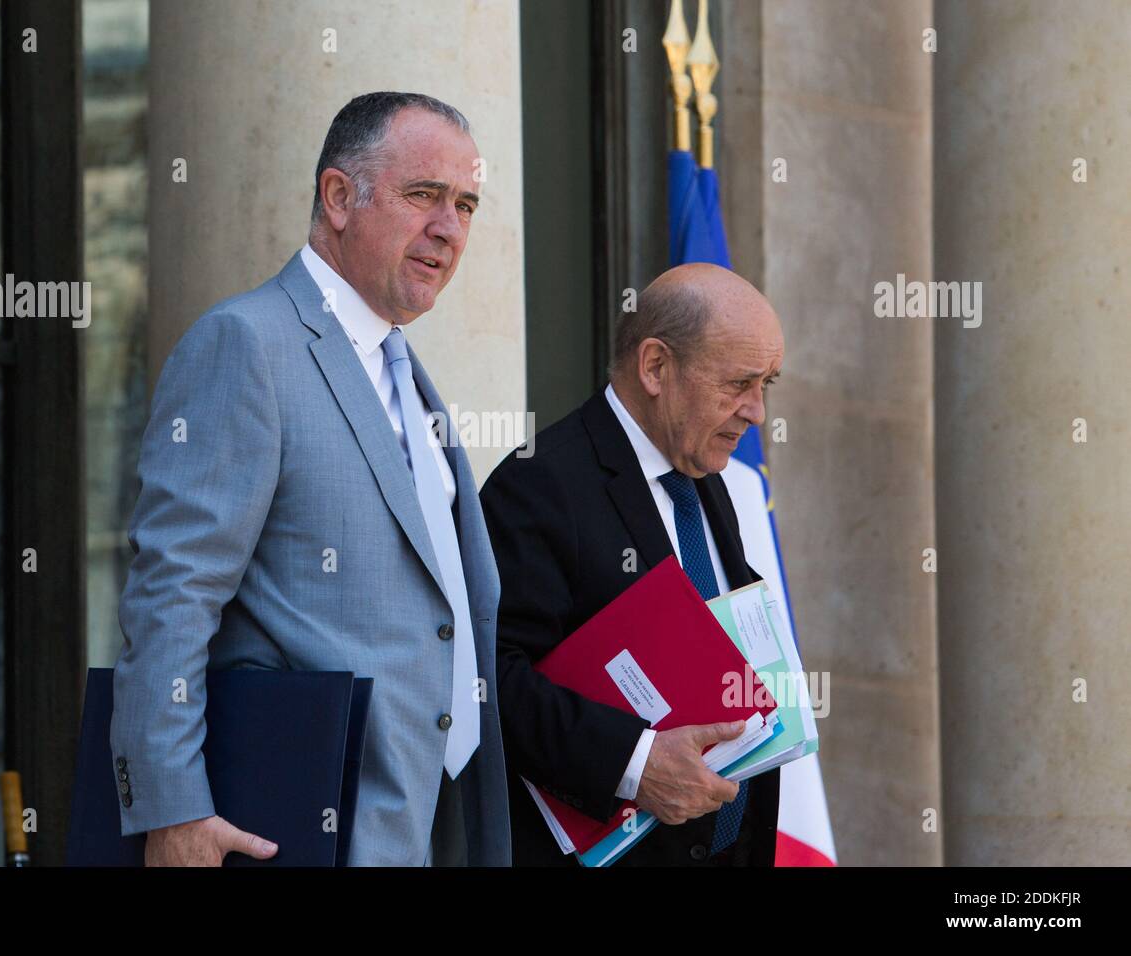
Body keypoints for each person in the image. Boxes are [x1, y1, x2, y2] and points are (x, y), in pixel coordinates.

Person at [111, 92, 510, 866]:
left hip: (440, 818)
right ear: (337, 197)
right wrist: (175, 809)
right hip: (309, 823)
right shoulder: (246, 344)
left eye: (465, 204)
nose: (449, 228)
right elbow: (174, 591)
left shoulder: (402, 369)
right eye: (423, 195)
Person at [481, 263, 784, 866]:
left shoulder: (706, 475)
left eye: (767, 384)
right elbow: (491, 680)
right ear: (655, 367)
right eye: (738, 383)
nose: (756, 411)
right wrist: (634, 764)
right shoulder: (540, 483)